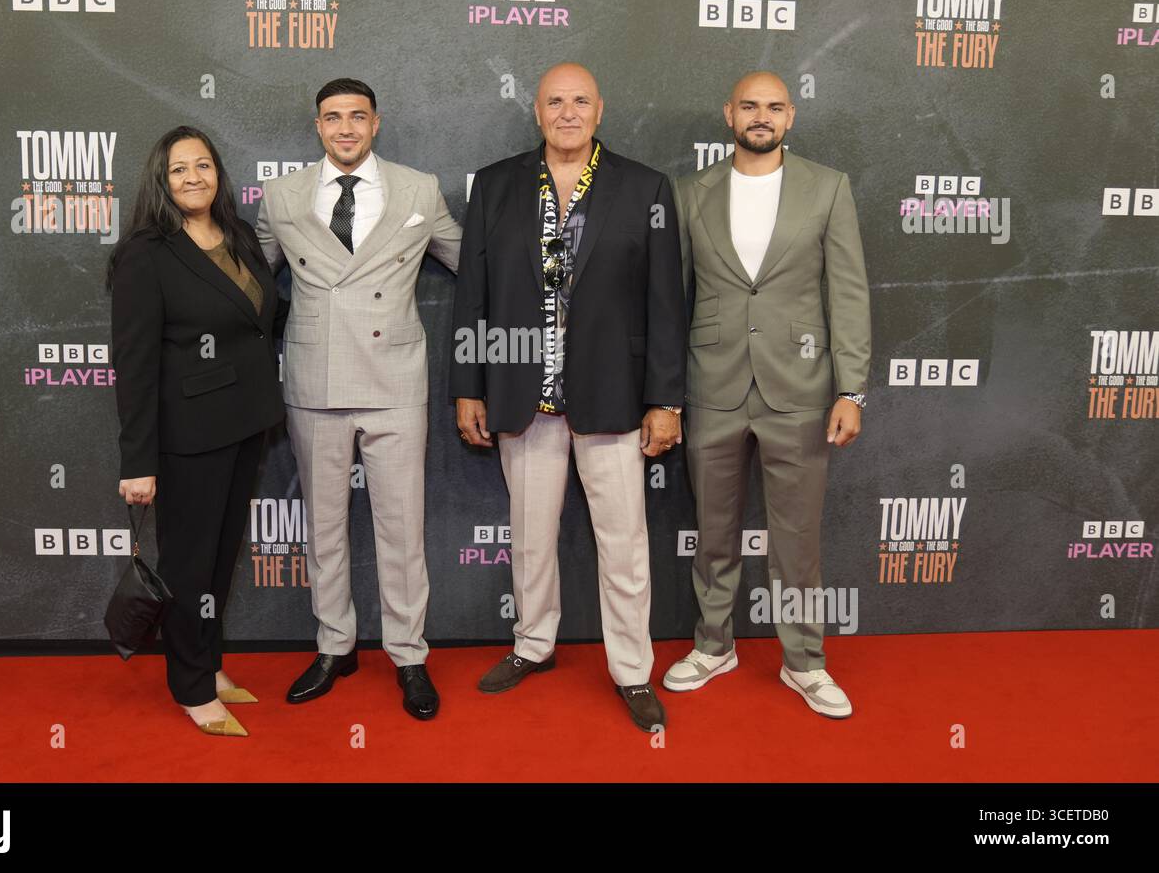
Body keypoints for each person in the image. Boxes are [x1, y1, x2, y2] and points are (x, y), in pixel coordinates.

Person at [450, 62, 686, 733]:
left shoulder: (645, 188)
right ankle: (533, 645)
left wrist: (665, 398)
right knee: (529, 539)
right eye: (555, 101)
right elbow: (474, 295)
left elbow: (666, 305)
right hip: (523, 395)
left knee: (625, 545)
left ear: (600, 110)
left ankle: (632, 669)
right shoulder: (496, 185)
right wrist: (469, 385)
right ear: (537, 110)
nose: (568, 112)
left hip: (613, 398)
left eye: (580, 100)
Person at [665, 71, 871, 718]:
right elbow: (672, 301)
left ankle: (805, 660)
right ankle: (713, 644)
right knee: (714, 531)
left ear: (791, 116)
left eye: (774, 107)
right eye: (750, 105)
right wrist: (667, 396)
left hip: (802, 391)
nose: (761, 116)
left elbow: (849, 291)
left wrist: (852, 389)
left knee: (797, 541)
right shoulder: (689, 192)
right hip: (713, 385)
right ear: (729, 114)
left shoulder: (827, 187)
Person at [256, 78, 462, 721]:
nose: (344, 128)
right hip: (315, 380)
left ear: (376, 124)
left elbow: (471, 262)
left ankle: (407, 654)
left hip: (395, 379)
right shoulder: (283, 196)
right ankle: (334, 646)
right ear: (318, 126)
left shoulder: (418, 189)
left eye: (356, 117)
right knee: (324, 527)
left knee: (401, 528)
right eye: (331, 118)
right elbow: (246, 285)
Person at [108, 125, 285, 738]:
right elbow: (133, 366)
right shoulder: (144, 255)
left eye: (203, 166)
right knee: (187, 566)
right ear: (161, 179)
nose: (193, 178)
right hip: (187, 436)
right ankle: (190, 686)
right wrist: (138, 461)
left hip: (247, 425)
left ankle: (208, 665)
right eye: (179, 168)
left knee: (218, 562)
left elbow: (260, 321)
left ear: (218, 174)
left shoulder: (236, 234)